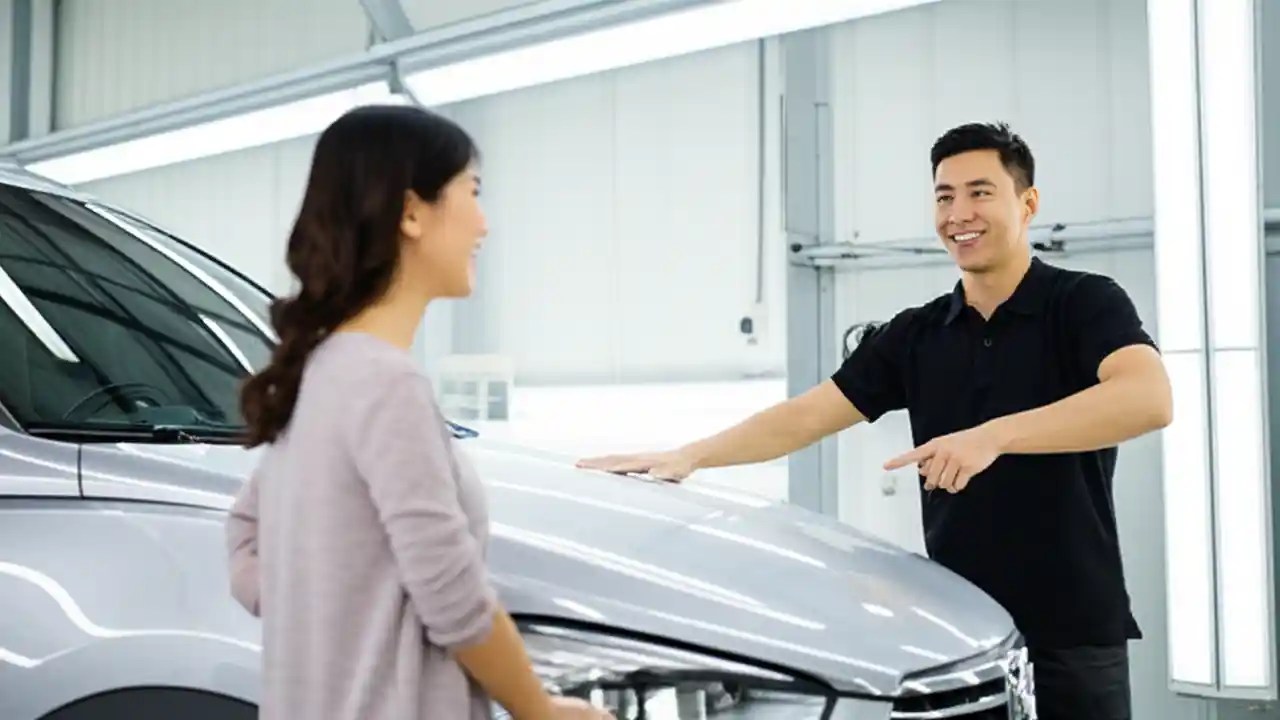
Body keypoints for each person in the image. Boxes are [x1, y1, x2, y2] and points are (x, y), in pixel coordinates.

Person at [577, 121, 1172, 720]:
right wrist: (691, 455)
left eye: (980, 192)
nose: (958, 212)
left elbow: (1147, 399)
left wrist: (994, 435)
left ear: (1028, 203)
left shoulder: (1083, 302)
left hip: (1073, 629)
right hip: (954, 633)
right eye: (944, 196)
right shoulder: (917, 334)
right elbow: (805, 415)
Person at [226, 105, 613, 720]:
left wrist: (330, 608)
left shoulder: (319, 374)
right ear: (410, 212)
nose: (484, 223)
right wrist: (539, 709)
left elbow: (245, 538)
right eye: (473, 193)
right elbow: (453, 598)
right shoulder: (384, 384)